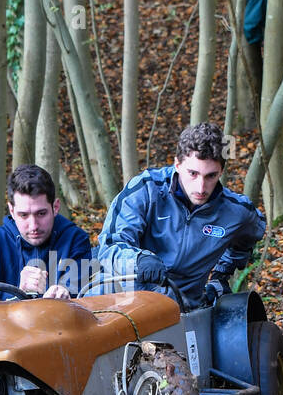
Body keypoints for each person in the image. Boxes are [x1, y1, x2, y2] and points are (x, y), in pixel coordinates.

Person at [94, 122, 265, 309]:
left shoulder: (236, 212)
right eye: (193, 173)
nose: (201, 187)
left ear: (221, 172)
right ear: (177, 164)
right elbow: (109, 246)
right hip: (121, 297)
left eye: (211, 176)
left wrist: (220, 275)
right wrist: (138, 259)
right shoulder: (146, 190)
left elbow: (248, 238)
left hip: (182, 307)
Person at [0, 164, 92, 304]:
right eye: (23, 215)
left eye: (41, 213)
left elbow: (86, 296)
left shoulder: (75, 239)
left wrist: (66, 296)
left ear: (55, 207)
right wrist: (15, 294)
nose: (33, 226)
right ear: (11, 210)